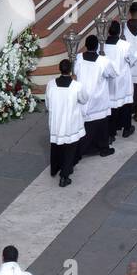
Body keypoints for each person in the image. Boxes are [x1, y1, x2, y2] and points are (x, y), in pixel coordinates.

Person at [47, 59, 87, 187]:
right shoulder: (77, 86)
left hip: (56, 122)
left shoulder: (51, 85)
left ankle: (54, 169)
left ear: (59, 69)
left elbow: (48, 104)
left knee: (56, 146)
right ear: (70, 70)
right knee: (70, 149)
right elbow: (84, 99)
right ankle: (64, 176)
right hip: (70, 123)